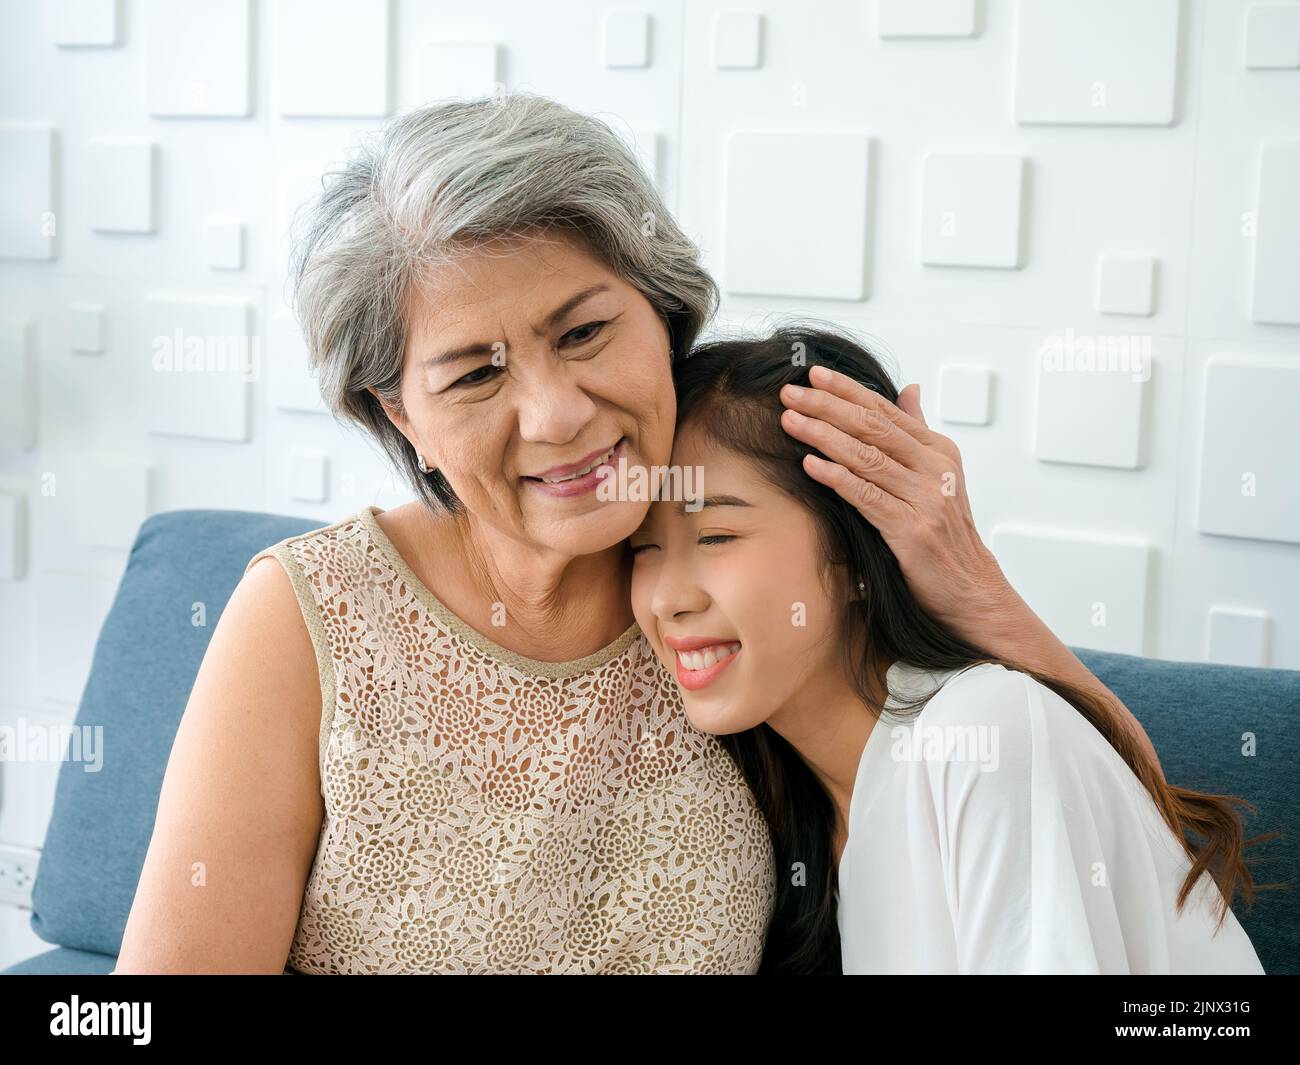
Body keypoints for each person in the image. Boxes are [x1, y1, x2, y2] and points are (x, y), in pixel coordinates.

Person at [115, 94, 1167, 974]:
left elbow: (1107, 850)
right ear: (403, 418)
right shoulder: (310, 615)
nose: (557, 413)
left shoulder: (731, 608)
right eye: (475, 372)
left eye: (584, 333)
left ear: (663, 322)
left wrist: (980, 595)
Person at [628, 324, 1272, 974]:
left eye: (715, 535)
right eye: (642, 547)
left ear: (854, 549)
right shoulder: (800, 822)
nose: (665, 598)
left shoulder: (979, 732)